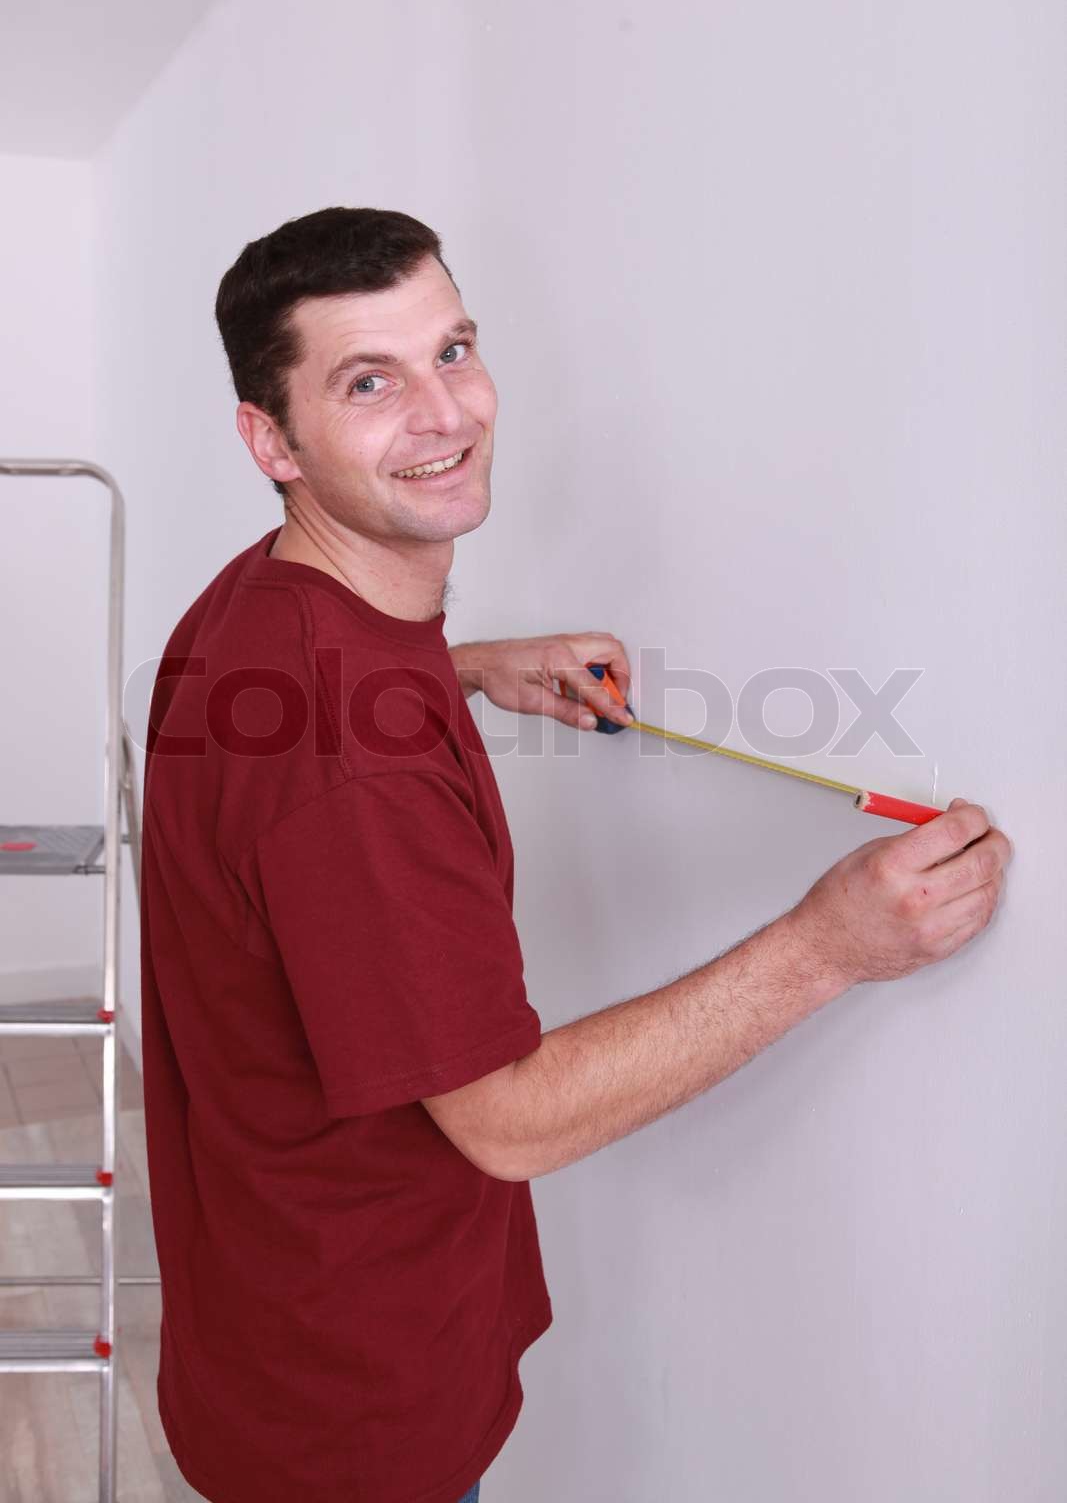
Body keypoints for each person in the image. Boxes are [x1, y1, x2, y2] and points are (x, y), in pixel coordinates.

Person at [139, 207, 1012, 1503]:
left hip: (262, 1342)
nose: (444, 412)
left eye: (454, 348)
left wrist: (460, 674)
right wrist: (829, 946)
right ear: (271, 436)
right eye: (368, 382)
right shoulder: (352, 774)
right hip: (353, 1428)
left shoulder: (254, 609)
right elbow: (507, 1120)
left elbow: (307, 729)